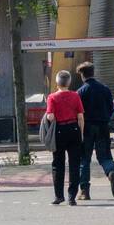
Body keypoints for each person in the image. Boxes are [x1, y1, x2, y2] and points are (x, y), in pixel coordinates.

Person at [75, 62, 114, 200]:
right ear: (93, 72)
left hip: (86, 127)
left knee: (84, 159)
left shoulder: (80, 92)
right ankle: (111, 171)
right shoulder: (105, 89)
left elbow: (78, 113)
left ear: (82, 75)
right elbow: (111, 109)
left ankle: (84, 191)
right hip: (102, 126)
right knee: (105, 155)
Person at [46, 69, 84, 206]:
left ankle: (59, 196)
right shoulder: (75, 96)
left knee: (58, 164)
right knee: (74, 164)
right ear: (69, 82)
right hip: (74, 129)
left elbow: (50, 116)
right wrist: (81, 133)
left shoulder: (52, 97)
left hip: (60, 131)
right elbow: (80, 116)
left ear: (57, 83)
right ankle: (72, 196)